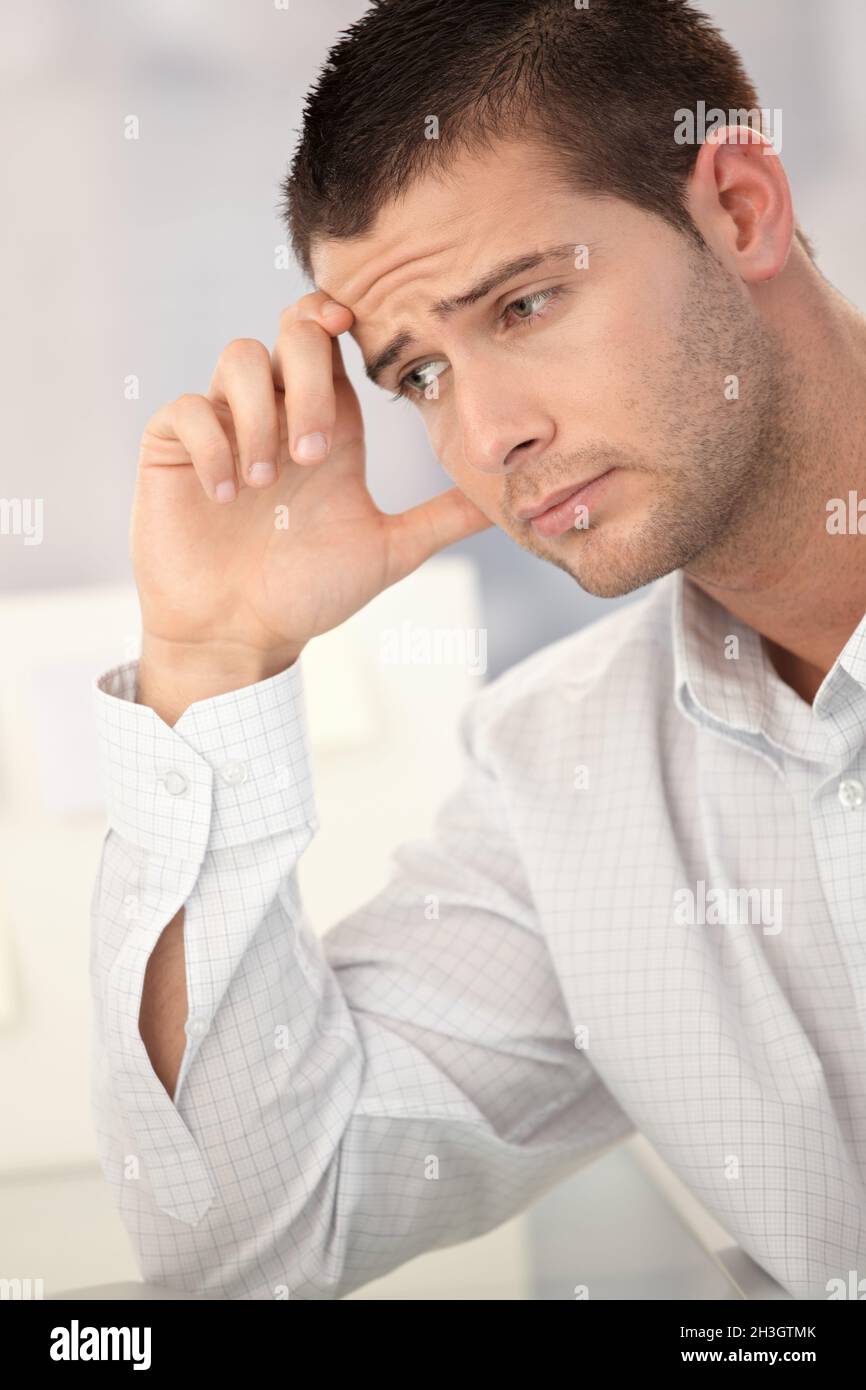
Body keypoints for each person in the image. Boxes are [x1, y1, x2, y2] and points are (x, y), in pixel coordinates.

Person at [90, 0, 866, 1300]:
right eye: (420, 377)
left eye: (523, 303)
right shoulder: (563, 770)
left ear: (738, 207)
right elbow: (253, 1239)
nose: (485, 434)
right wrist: (211, 657)